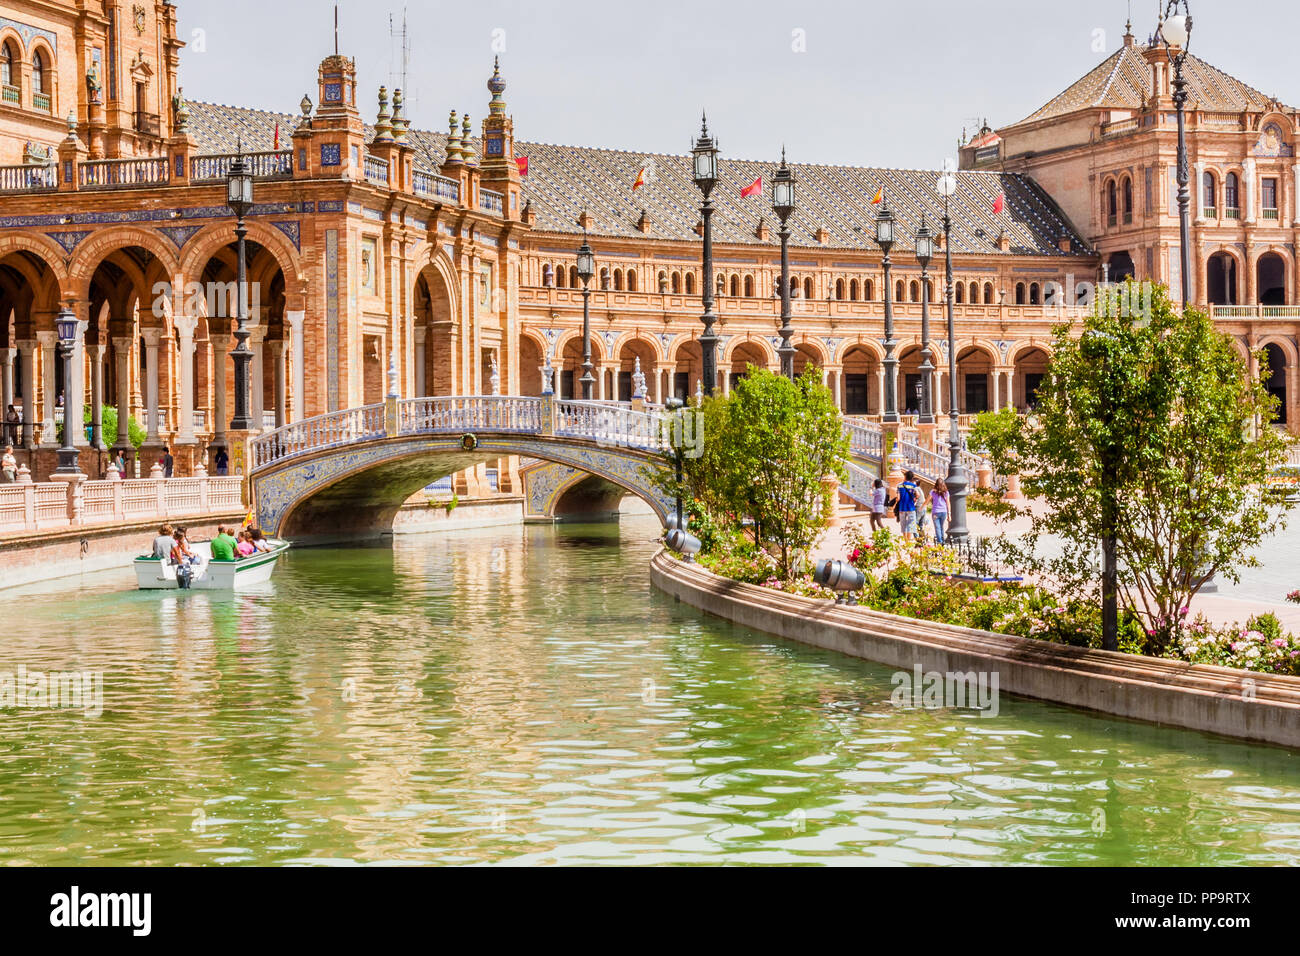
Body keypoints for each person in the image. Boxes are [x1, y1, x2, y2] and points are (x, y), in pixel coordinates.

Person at [897, 470, 921, 541]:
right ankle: (909, 540)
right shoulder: (913, 486)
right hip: (911, 507)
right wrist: (915, 498)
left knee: (903, 524)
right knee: (910, 524)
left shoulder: (899, 485)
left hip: (902, 508)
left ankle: (905, 541)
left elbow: (898, 498)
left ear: (905, 477)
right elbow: (918, 495)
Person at [931, 478, 951, 545]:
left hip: (935, 512)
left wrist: (922, 507)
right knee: (941, 526)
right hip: (944, 512)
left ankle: (940, 542)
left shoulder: (933, 492)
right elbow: (948, 503)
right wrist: (949, 514)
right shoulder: (946, 492)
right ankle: (942, 541)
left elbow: (927, 501)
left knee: (937, 527)